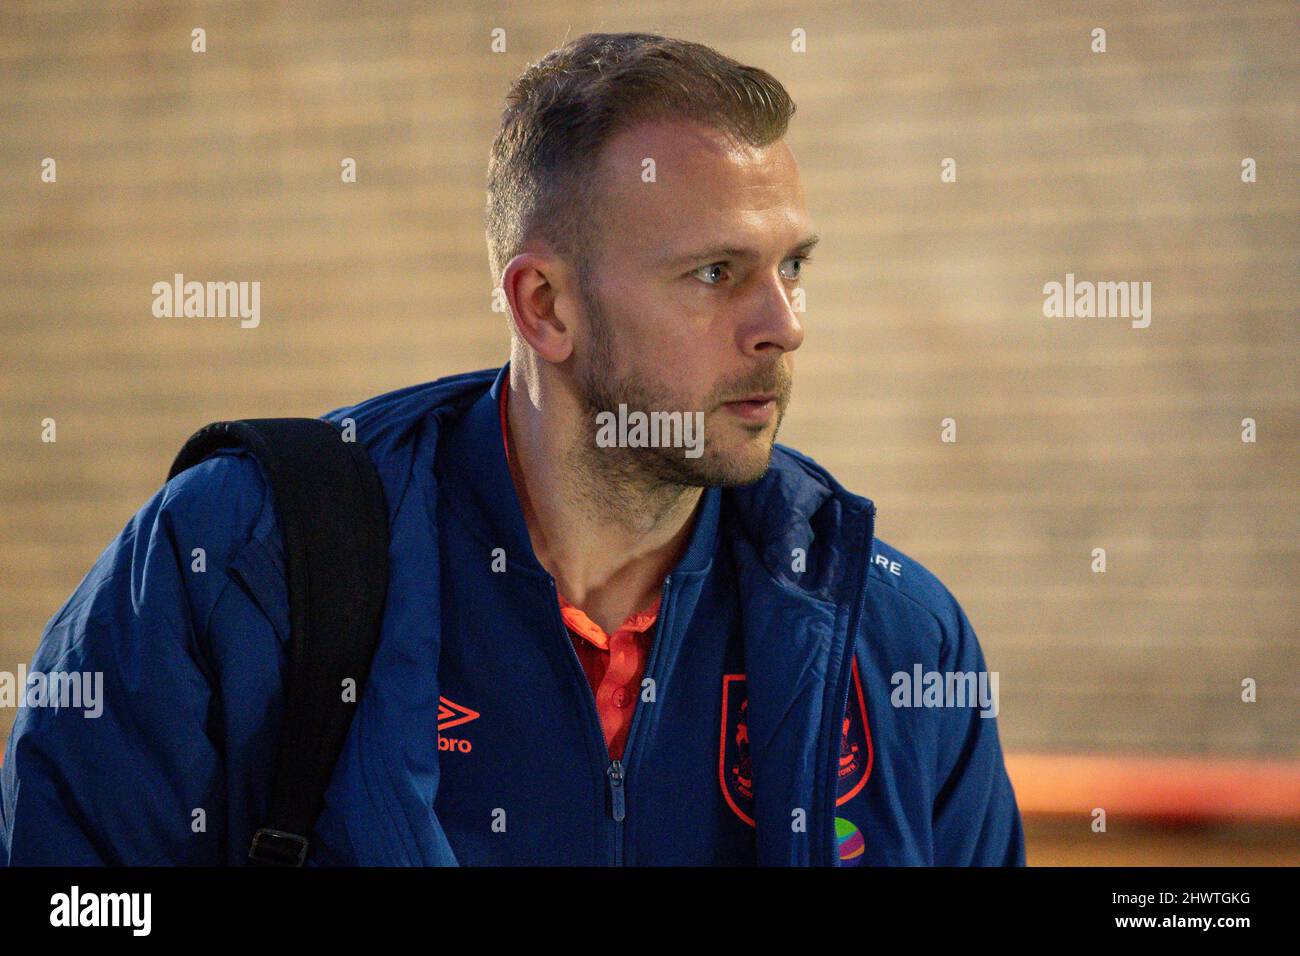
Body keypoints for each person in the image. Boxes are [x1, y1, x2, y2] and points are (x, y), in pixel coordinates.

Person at [0, 32, 1023, 866]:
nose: (782, 323)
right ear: (545, 305)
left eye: (792, 264)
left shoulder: (890, 632)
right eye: (715, 273)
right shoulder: (238, 561)